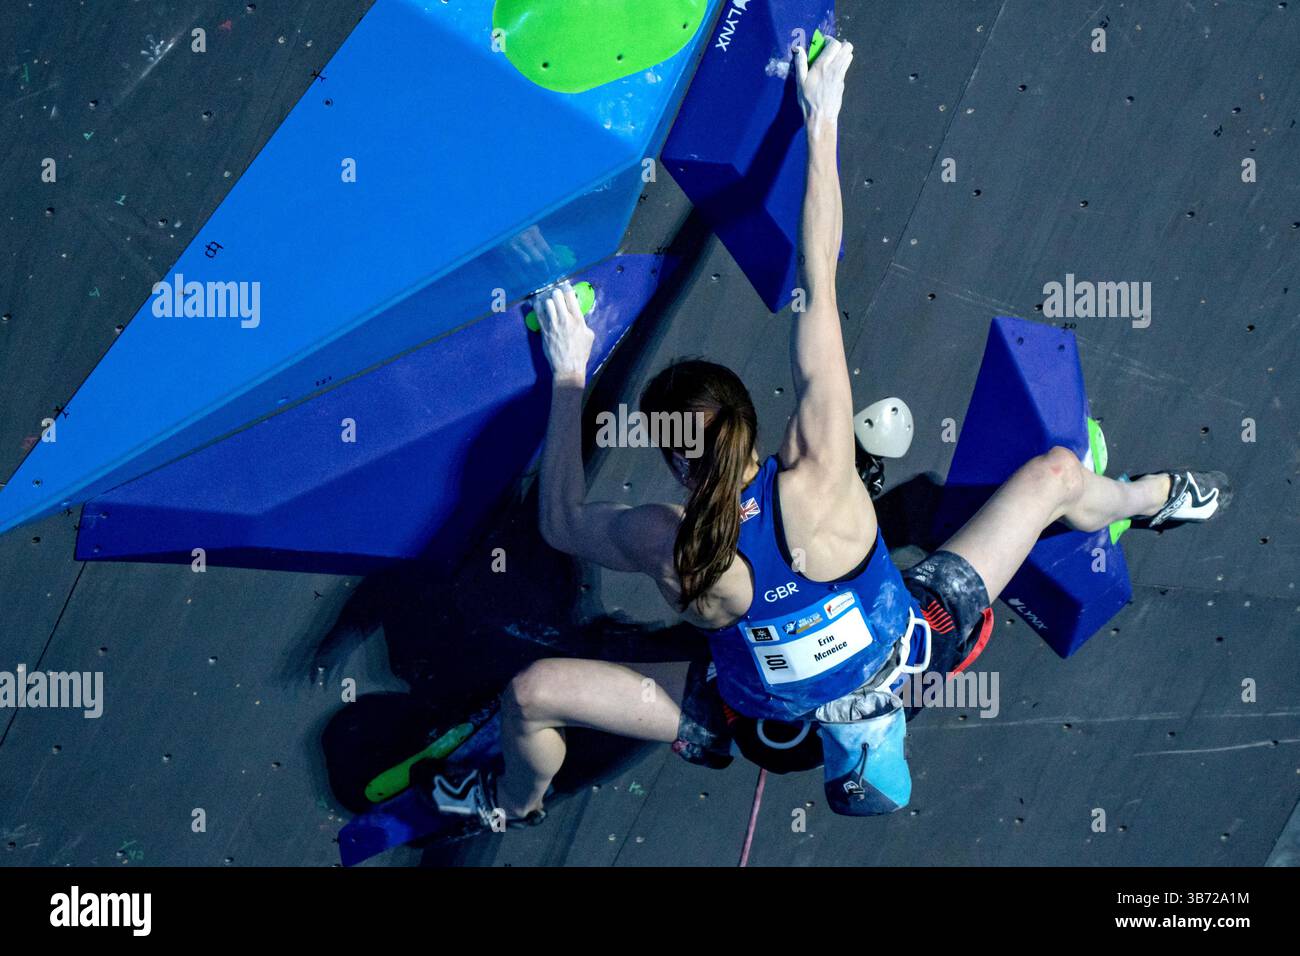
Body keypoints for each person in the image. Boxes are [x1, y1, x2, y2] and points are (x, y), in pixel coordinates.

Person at [425, 36, 1230, 829]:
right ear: (752, 427)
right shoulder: (818, 472)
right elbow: (820, 277)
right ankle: (1144, 499)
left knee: (530, 697)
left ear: (675, 467)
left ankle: (508, 802)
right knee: (1059, 476)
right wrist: (822, 117)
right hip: (904, 640)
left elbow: (562, 523)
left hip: (748, 712)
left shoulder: (669, 547)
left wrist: (569, 371)